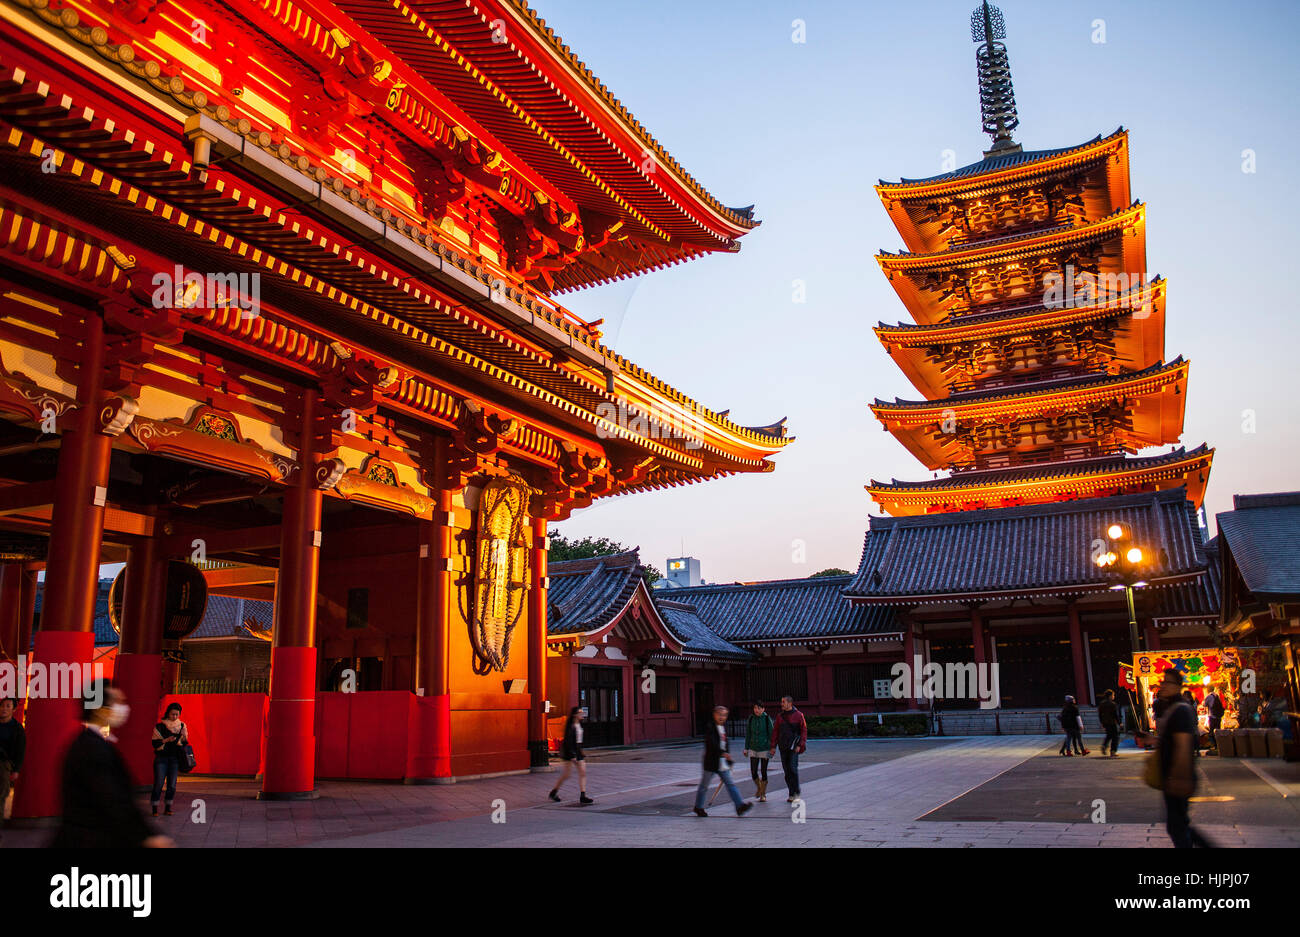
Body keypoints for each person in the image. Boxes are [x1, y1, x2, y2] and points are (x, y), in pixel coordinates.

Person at [50, 679, 173, 848]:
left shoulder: (91, 743)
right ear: (99, 710)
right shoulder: (92, 749)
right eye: (117, 702)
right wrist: (144, 836)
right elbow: (111, 799)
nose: (123, 708)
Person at [1154, 671, 1212, 848]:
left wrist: (1179, 777)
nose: (1163, 685)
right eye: (1163, 682)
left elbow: (1183, 745)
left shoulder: (1181, 709)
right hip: (1173, 775)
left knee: (1177, 826)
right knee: (1179, 824)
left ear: (1177, 687)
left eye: (1167, 682)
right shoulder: (1174, 707)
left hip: (1178, 776)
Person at [692, 705, 752, 817]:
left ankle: (739, 806)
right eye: (720, 714)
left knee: (730, 784)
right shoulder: (710, 727)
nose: (722, 717)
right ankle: (698, 807)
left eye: (724, 715)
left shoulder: (723, 727)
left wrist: (727, 756)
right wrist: (722, 753)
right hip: (711, 762)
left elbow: (724, 743)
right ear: (714, 715)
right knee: (704, 786)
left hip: (722, 763)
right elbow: (711, 743)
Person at [548, 707, 593, 805]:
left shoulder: (579, 724)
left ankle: (583, 795)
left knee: (583, 772)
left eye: (582, 712)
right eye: (580, 713)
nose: (582, 714)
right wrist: (573, 755)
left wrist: (580, 751)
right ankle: (554, 792)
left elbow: (579, 740)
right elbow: (568, 742)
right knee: (567, 774)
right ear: (575, 715)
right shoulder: (571, 726)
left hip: (578, 750)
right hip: (571, 752)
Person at [150, 702, 188, 816]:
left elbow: (185, 743)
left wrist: (184, 735)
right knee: (159, 783)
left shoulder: (182, 726)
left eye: (177, 714)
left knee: (172, 785)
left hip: (174, 759)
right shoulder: (160, 726)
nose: (175, 717)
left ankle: (168, 807)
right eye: (173, 714)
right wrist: (167, 740)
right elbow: (154, 743)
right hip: (161, 758)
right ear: (168, 713)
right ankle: (155, 808)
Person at [771, 695, 807, 801]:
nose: (781, 704)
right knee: (787, 771)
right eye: (781, 702)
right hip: (783, 747)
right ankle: (791, 793)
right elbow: (775, 732)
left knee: (793, 768)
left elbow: (804, 731)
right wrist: (773, 746)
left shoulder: (799, 715)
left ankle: (796, 792)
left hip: (794, 747)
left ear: (790, 703)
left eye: (783, 702)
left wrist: (800, 745)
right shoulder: (779, 717)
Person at [742, 701, 775, 802]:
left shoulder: (766, 719)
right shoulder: (751, 718)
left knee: (764, 771)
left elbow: (772, 734)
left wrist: (771, 748)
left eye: (759, 708)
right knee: (753, 771)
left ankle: (763, 794)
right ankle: (760, 788)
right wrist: (746, 748)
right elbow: (748, 734)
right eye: (755, 708)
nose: (757, 710)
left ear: (763, 709)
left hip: (764, 748)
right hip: (753, 748)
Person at [0, 696, 25, 823]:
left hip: (4, 765)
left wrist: (16, 770)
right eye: (2, 705)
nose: (4, 709)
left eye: (8, 706)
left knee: (1, 796)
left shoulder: (17, 729)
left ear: (14, 710)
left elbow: (20, 751)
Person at [1098, 689, 1120, 757]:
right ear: (1110, 696)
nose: (1114, 696)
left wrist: (1102, 722)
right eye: (1113, 695)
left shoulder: (1101, 704)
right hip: (1112, 722)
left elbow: (1100, 714)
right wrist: (1119, 723)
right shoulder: (1113, 704)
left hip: (1105, 722)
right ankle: (1113, 751)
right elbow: (1115, 715)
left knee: (1109, 735)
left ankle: (1104, 746)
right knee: (1115, 737)